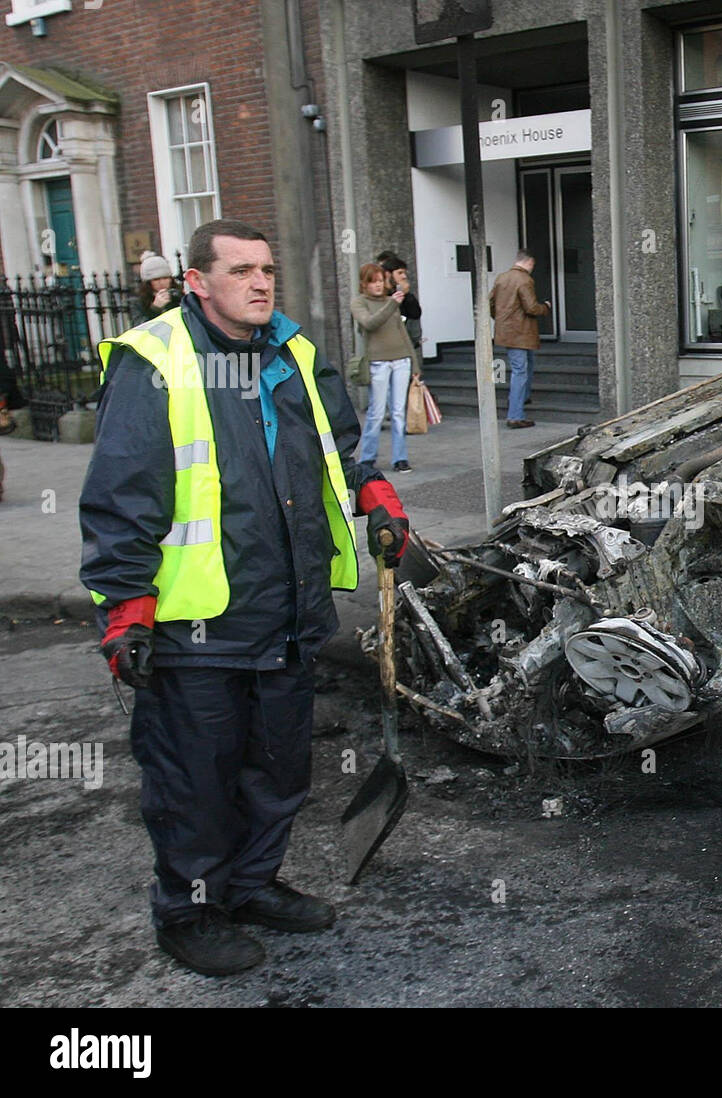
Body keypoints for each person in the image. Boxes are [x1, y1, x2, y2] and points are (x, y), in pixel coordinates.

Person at [80, 219, 410, 977]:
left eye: (267, 269)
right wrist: (124, 609)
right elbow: (120, 498)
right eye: (240, 272)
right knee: (194, 779)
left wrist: (378, 494)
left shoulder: (294, 354)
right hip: (197, 627)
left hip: (289, 613)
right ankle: (189, 911)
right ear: (197, 281)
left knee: (278, 768)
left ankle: (252, 884)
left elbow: (342, 447)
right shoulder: (155, 361)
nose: (260, 283)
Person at [351, 262, 416, 473]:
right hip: (378, 362)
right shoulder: (359, 303)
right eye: (373, 282)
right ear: (364, 284)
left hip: (401, 360)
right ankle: (368, 457)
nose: (378, 285)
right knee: (376, 412)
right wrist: (392, 304)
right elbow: (370, 324)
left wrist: (415, 363)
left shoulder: (391, 301)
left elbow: (402, 333)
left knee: (398, 412)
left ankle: (400, 458)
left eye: (381, 281)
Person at [489, 248, 551, 429]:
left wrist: (500, 319)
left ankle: (521, 398)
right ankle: (515, 415)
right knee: (520, 371)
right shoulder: (525, 280)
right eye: (533, 265)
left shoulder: (501, 277)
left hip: (506, 331)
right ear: (529, 262)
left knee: (526, 365)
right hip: (521, 332)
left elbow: (490, 301)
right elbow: (531, 307)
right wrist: (545, 307)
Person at [376, 250, 423, 354]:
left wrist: (405, 296)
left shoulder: (407, 297)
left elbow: (415, 329)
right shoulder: (374, 296)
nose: (404, 276)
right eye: (400, 272)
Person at [131, 250, 181, 324]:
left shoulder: (178, 296)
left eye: (165, 278)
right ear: (148, 282)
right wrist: (155, 309)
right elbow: (139, 326)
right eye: (156, 279)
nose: (162, 283)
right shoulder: (139, 302)